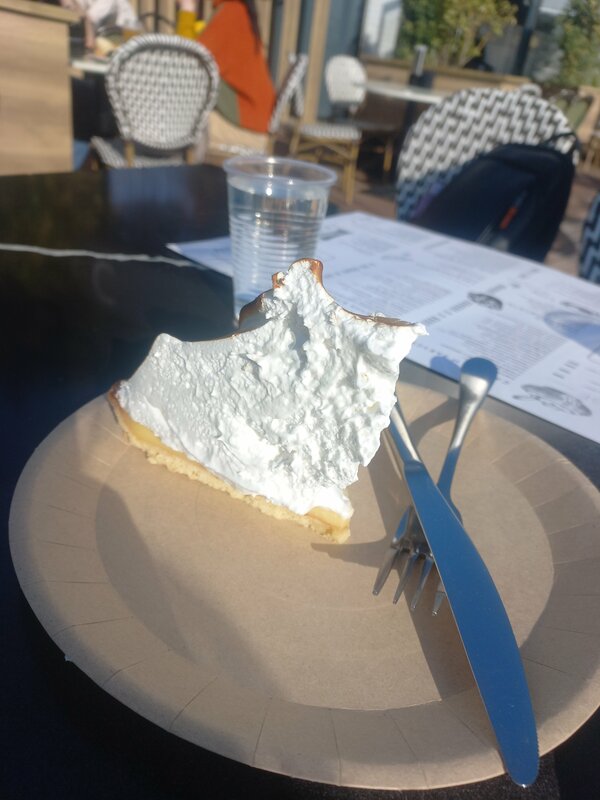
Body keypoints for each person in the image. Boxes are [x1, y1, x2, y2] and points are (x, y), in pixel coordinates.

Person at [176, 0, 276, 153]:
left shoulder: (232, 12)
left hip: (247, 130)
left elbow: (187, 65)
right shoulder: (235, 10)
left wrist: (187, 9)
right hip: (251, 123)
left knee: (175, 123)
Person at [60, 0, 140, 52]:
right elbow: (77, 11)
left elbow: (90, 19)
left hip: (127, 41)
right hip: (107, 39)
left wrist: (89, 47)